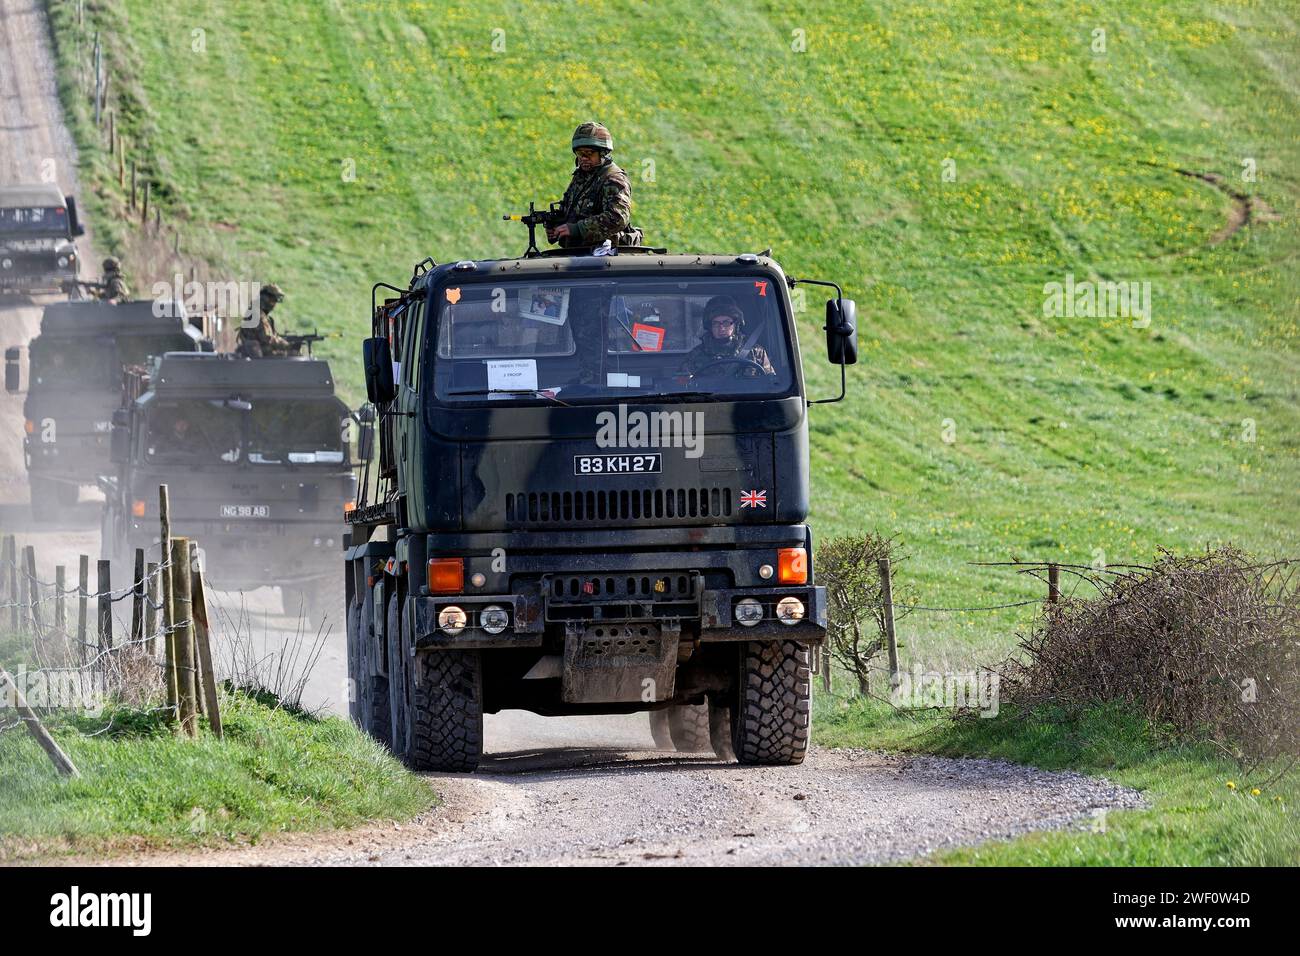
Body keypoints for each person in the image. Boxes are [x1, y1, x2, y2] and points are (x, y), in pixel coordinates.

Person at [547, 123, 643, 249]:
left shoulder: (613, 178)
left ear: (603, 153)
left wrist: (577, 229)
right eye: (579, 153)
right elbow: (571, 212)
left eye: (589, 153)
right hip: (580, 254)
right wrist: (557, 227)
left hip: (606, 256)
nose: (583, 158)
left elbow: (618, 218)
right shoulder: (581, 177)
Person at [683, 295, 775, 378]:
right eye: (716, 323)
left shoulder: (756, 353)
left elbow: (772, 384)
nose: (721, 328)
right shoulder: (695, 356)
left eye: (726, 323)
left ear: (736, 324)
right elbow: (681, 386)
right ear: (709, 326)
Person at [235, 283, 296, 357]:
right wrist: (287, 345)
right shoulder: (256, 315)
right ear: (265, 299)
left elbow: (271, 337)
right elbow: (267, 339)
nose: (274, 305)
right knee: (291, 355)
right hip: (260, 358)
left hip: (262, 355)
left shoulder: (260, 315)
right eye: (273, 301)